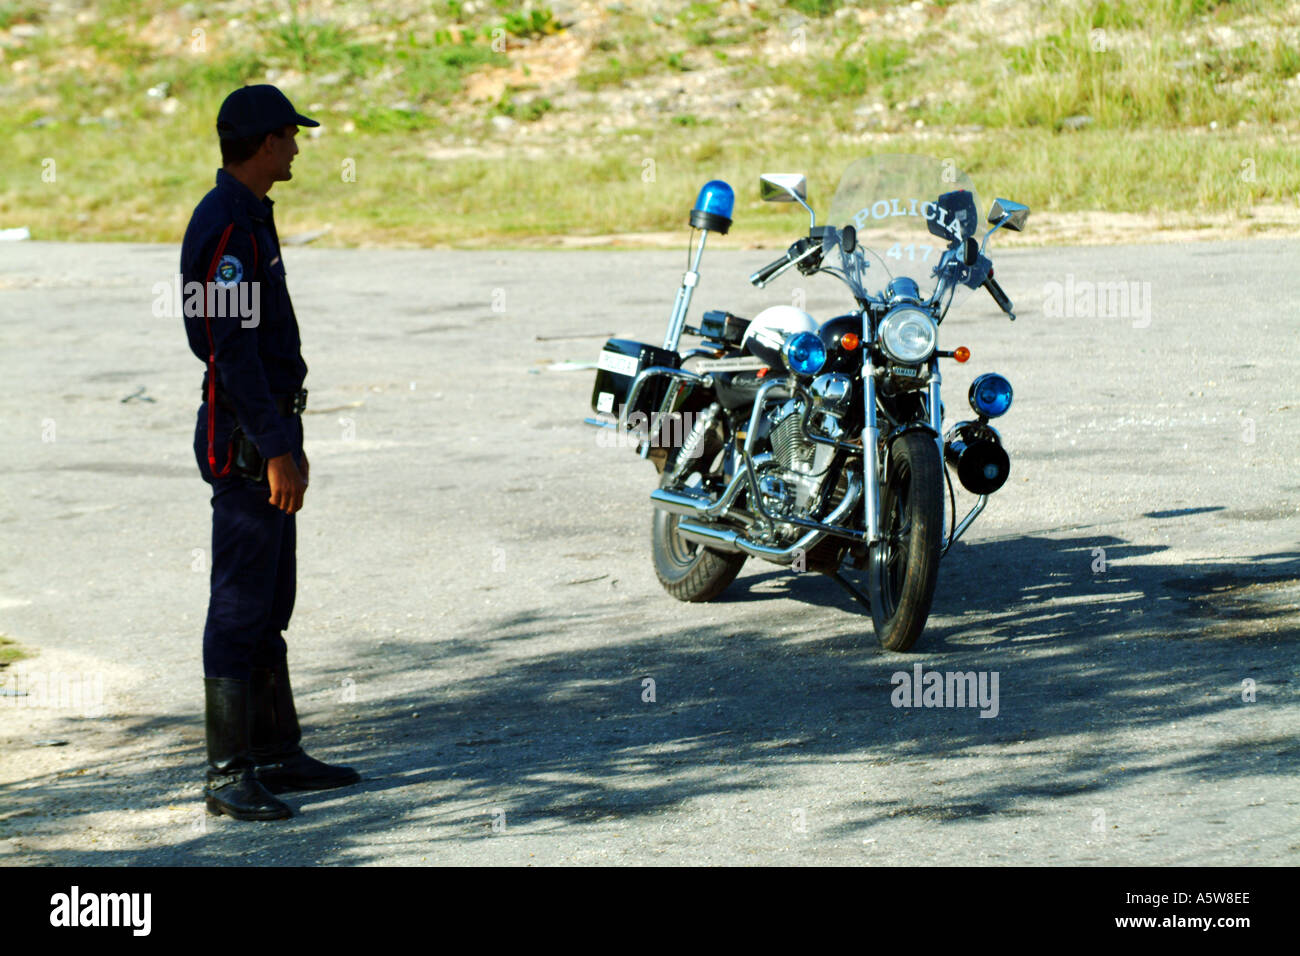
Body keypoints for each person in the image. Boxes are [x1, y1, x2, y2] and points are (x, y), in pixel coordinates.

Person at [181, 84, 358, 821]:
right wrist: (277, 446)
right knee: (240, 604)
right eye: (289, 134)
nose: (296, 145)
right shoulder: (225, 226)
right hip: (245, 442)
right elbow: (228, 352)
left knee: (271, 602)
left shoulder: (251, 216)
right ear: (262, 143)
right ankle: (228, 772)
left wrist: (291, 439)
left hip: (269, 433)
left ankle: (276, 753)